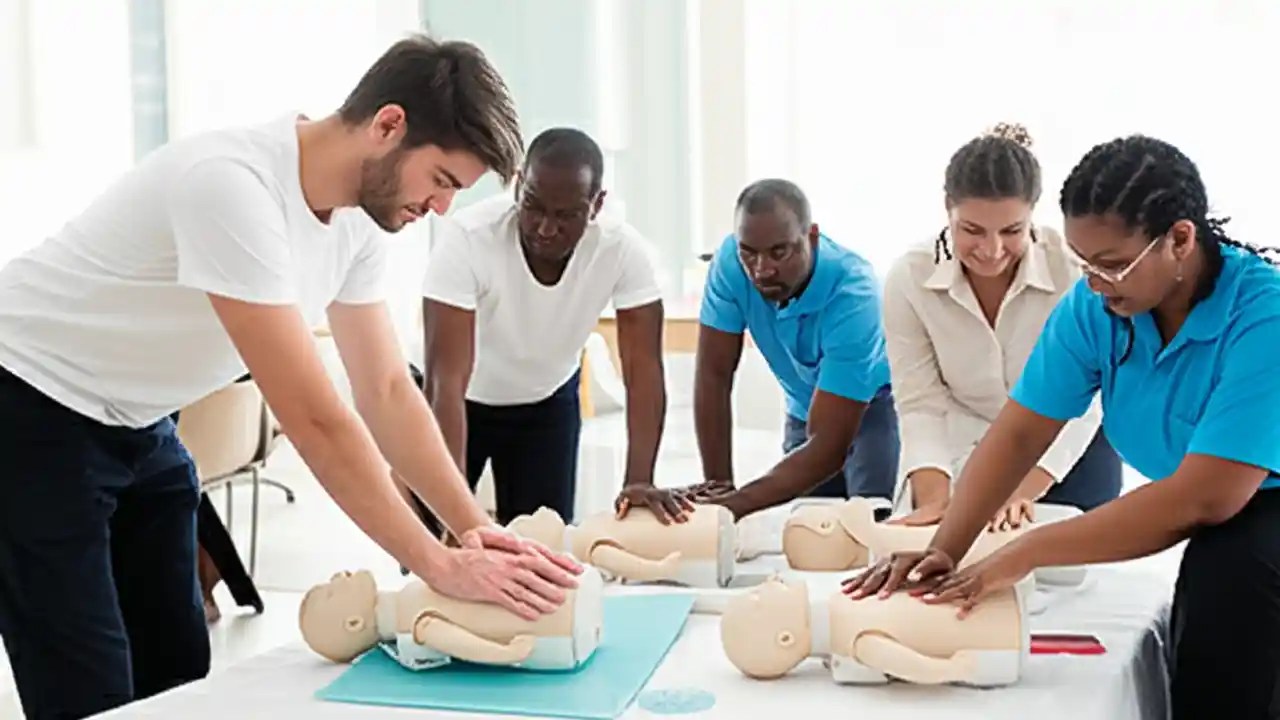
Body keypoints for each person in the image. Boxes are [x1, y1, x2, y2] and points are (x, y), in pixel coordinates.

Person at [0, 35, 580, 720]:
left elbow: (388, 391)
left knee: (178, 675)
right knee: (88, 689)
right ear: (388, 125)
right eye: (443, 181)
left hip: (136, 418)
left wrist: (471, 528)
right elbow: (316, 419)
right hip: (28, 404)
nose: (443, 208)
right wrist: (435, 562)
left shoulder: (360, 223)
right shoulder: (231, 186)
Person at [843, 135, 1280, 719]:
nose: (1095, 282)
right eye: (1084, 264)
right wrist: (944, 547)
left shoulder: (1263, 316)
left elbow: (1208, 496)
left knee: (1226, 590)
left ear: (1179, 239)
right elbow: (1021, 433)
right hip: (1223, 508)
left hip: (1257, 503)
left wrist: (1025, 551)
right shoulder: (1098, 307)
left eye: (1112, 264)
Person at [411, 127, 683, 532]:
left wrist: (639, 480)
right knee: (432, 543)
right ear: (519, 185)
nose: (544, 227)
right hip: (452, 400)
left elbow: (643, 370)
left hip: (545, 403)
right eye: (534, 206)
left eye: (566, 215)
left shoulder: (622, 251)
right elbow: (445, 380)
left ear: (596, 206)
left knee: (542, 548)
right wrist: (454, 509)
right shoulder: (468, 238)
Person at [883, 123, 1122, 530]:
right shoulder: (911, 277)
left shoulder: (1073, 271)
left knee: (1062, 576)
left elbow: (1090, 398)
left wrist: (1021, 490)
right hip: (966, 448)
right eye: (971, 230)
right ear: (947, 209)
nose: (991, 251)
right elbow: (920, 403)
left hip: (1067, 446)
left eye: (1012, 231)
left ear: (1033, 212)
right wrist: (937, 504)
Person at [681, 179, 900, 520]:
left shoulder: (855, 293)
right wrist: (718, 486)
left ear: (810, 237)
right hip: (803, 407)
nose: (761, 269)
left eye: (779, 252)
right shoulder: (729, 263)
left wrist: (732, 507)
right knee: (803, 530)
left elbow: (827, 446)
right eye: (749, 253)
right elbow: (714, 374)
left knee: (867, 529)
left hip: (873, 408)